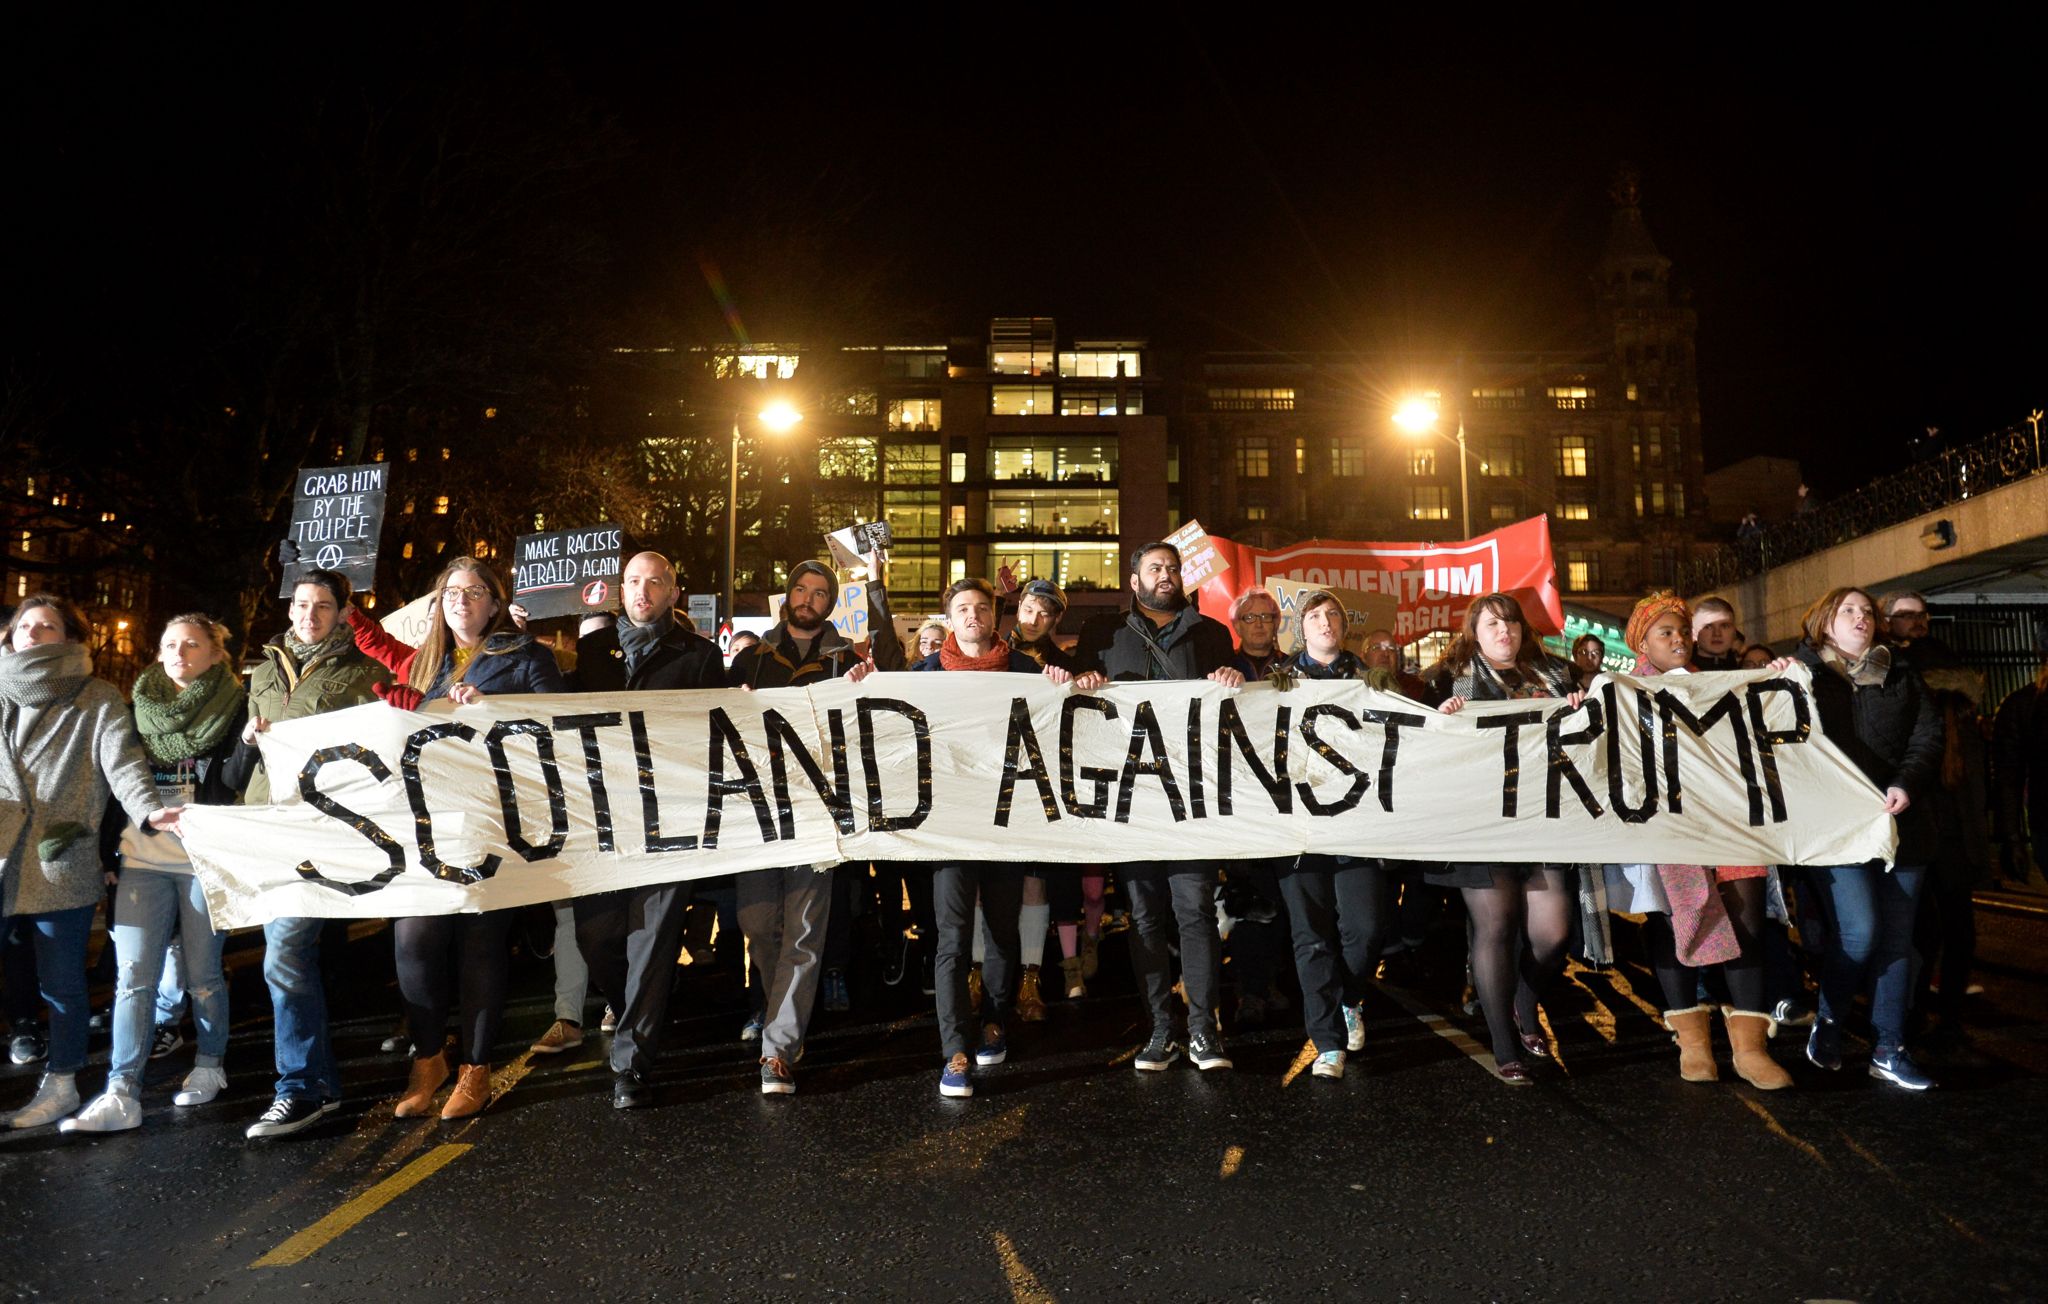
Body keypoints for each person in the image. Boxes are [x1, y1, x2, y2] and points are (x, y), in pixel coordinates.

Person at [348, 559, 567, 1120]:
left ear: (495, 604)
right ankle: (428, 1060)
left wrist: (496, 712)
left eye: (474, 592)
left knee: (479, 942)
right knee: (414, 941)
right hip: (424, 826)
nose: (461, 601)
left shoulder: (526, 656)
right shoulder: (423, 664)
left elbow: (560, 722)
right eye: (451, 593)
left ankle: (475, 1066)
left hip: (490, 821)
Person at [61, 615, 248, 1133]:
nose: (179, 652)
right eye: (169, 644)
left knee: (204, 976)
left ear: (216, 653)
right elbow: (111, 779)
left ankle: (210, 1065)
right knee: (132, 981)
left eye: (192, 644)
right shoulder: (134, 707)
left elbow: (233, 779)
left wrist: (250, 742)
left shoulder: (237, 707)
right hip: (142, 858)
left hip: (204, 860)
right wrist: (105, 859)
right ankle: (122, 1091)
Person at [2, 596, 182, 1129]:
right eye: (24, 626)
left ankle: (60, 1083)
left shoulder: (96, 698)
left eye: (47, 626)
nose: (33, 634)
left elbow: (123, 764)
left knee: (61, 985)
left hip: (56, 857)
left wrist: (150, 810)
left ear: (70, 637)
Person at [1601, 594, 1791, 1089]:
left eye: (1682, 631)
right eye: (1666, 633)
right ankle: (1694, 1044)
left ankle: (1750, 1049)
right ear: (1642, 641)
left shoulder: (1717, 684)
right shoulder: (1620, 691)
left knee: (1748, 922)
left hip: (1728, 824)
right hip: (1664, 830)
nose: (1679, 640)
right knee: (1671, 925)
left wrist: (1788, 675)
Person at [729, 554, 902, 1094]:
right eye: (800, 590)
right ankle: (779, 1008)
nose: (808, 599)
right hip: (758, 813)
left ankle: (779, 1048)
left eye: (820, 593)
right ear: (787, 597)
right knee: (758, 922)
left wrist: (860, 684)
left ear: (830, 603)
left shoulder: (844, 658)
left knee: (804, 930)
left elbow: (891, 676)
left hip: (818, 811)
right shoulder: (752, 660)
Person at [1071, 541, 1243, 1072]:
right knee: (1144, 916)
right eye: (1154, 568)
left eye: (1172, 568)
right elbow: (1074, 699)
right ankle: (1160, 1029)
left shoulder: (1211, 634)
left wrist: (1233, 680)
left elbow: (1235, 708)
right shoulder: (1102, 635)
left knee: (1193, 910)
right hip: (1133, 799)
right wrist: (1083, 683)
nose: (1165, 575)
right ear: (1134, 580)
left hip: (1192, 799)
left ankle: (1202, 1030)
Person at [235, 569, 392, 1138]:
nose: (309, 615)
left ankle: (298, 1087)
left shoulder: (366, 669)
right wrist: (249, 740)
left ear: (344, 612)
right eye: (301, 604)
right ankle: (319, 1088)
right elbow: (243, 759)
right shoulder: (262, 671)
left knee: (284, 954)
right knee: (292, 959)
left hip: (325, 830)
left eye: (323, 606)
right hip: (270, 824)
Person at [572, 552, 727, 1109]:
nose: (642, 591)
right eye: (633, 582)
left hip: (672, 819)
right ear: (621, 590)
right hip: (604, 819)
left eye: (654, 582)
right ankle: (648, 1002)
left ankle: (629, 1064)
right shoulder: (591, 652)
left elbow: (723, 728)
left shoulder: (700, 657)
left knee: (653, 937)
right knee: (597, 934)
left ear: (673, 592)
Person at [1421, 592, 1583, 1085]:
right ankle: (1505, 1043)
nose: (1503, 632)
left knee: (1553, 935)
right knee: (1497, 928)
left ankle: (1524, 1001)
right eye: (1492, 624)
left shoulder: (1557, 676)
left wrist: (1579, 709)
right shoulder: (1447, 680)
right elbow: (1421, 744)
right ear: (1474, 631)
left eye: (1510, 623)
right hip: (1482, 822)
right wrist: (1442, 720)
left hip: (1543, 818)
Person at [911, 578, 1064, 1097]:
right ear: (949, 618)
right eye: (962, 609)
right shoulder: (923, 674)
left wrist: (1067, 680)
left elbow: (1058, 718)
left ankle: (995, 1022)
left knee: (1002, 927)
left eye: (981, 608)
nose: (973, 615)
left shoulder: (1025, 670)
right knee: (951, 938)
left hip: (1006, 819)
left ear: (995, 618)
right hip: (949, 823)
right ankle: (955, 1048)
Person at [1793, 586, 1941, 1090]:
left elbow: (1927, 736)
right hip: (1837, 831)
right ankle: (1830, 1021)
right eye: (1848, 610)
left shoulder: (1901, 675)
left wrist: (1905, 783)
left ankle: (1889, 1046)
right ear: (1824, 623)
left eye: (1867, 612)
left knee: (1898, 940)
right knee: (1860, 931)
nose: (1861, 617)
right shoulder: (1802, 676)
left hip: (1902, 826)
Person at [1272, 591, 1398, 1080]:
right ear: (1300, 629)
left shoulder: (1371, 680)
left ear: (1346, 628)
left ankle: (1349, 999)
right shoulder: (1275, 681)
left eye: (1333, 616)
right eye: (1314, 616)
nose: (1325, 623)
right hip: (1297, 828)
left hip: (1356, 825)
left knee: (1365, 929)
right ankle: (1327, 1042)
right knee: (1310, 937)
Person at [1879, 590, 1990, 1050]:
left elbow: (1976, 772)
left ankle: (1945, 1016)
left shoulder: (1952, 681)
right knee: (1919, 929)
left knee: (1958, 928)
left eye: (1920, 615)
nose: (1916, 622)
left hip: (1953, 826)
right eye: (1904, 616)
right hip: (1915, 824)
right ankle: (1912, 1011)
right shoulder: (1889, 672)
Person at [1000, 578, 1076, 1018]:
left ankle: (1031, 979)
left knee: (1034, 882)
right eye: (1029, 607)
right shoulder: (991, 652)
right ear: (1018, 608)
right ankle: (977, 974)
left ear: (1056, 619)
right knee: (977, 885)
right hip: (987, 779)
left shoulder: (1064, 663)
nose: (1035, 618)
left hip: (1035, 785)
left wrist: (1079, 679)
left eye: (1046, 613)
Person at [1690, 598, 1742, 671]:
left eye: (1724, 626)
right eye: (1708, 627)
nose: (1717, 634)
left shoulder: (1746, 672)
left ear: (1734, 632)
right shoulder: (1679, 674)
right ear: (1693, 634)